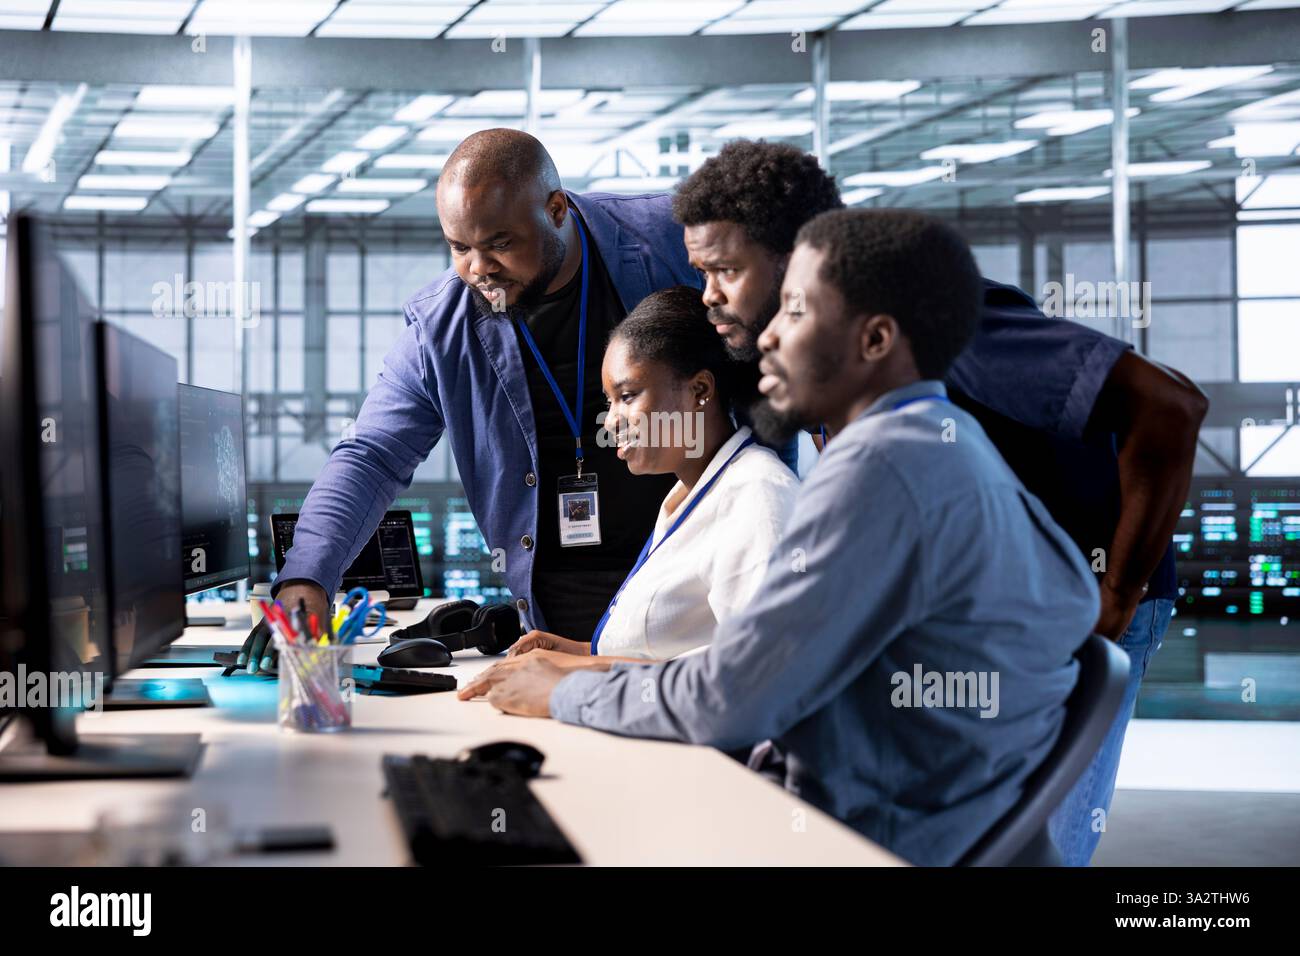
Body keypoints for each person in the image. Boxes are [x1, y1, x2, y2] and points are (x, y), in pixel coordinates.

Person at [460, 209, 1101, 867]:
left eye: (794, 312)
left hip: (843, 836)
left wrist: (565, 692)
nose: (765, 338)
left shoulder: (877, 468)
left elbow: (732, 697)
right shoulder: (957, 445)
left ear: (875, 340)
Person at [669, 139, 1208, 865]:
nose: (708, 294)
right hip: (981, 618)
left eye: (725, 269)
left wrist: (1115, 596)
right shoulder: (821, 357)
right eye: (701, 272)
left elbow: (1170, 407)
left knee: (1033, 838)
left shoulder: (938, 323)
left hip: (1086, 600)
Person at [241, 129, 703, 673]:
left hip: (691, 594)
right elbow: (371, 455)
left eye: (500, 243)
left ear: (556, 210)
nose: (479, 268)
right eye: (459, 247)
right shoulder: (445, 325)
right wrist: (307, 577)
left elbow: (776, 287)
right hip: (561, 624)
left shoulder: (669, 242)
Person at [466, 286, 796, 669]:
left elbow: (767, 671)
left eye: (628, 395)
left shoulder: (758, 495)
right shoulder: (689, 496)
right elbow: (678, 648)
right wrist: (578, 652)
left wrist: (583, 670)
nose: (610, 421)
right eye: (609, 402)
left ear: (700, 390)